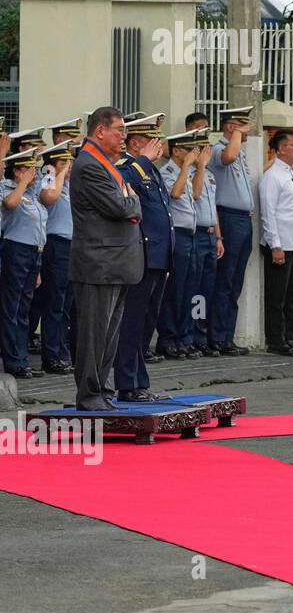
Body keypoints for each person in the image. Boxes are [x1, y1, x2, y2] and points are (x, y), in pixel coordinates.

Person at [69, 107, 144, 411]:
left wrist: (129, 199)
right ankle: (89, 395)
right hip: (99, 262)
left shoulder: (104, 164)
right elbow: (120, 208)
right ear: (100, 131)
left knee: (108, 336)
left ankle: (101, 391)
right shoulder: (89, 164)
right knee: (94, 335)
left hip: (115, 261)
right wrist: (133, 199)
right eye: (120, 130)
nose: (124, 137)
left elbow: (123, 204)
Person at [112, 114, 173, 402]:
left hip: (158, 257)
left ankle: (139, 381)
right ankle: (127, 382)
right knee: (132, 321)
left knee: (146, 322)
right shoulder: (128, 167)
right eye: (151, 140)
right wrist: (143, 161)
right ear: (136, 143)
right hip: (141, 256)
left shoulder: (152, 169)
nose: (157, 145)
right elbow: (120, 185)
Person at [260, 128, 293, 356]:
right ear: (281, 149)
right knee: (277, 296)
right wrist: (276, 245)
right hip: (281, 245)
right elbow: (268, 213)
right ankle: (276, 339)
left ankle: (292, 335)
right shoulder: (272, 176)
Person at [155, 132, 205, 358]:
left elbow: (195, 194)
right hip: (177, 235)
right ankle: (167, 338)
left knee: (189, 289)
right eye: (188, 150)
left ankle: (183, 336)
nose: (192, 154)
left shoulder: (190, 172)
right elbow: (175, 193)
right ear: (176, 151)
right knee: (174, 290)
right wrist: (185, 168)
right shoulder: (167, 172)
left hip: (191, 234)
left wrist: (199, 167)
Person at [210, 107, 256, 356]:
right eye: (242, 125)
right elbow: (227, 157)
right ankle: (218, 336)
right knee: (226, 281)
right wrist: (237, 134)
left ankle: (226, 335)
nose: (248, 129)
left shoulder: (240, 153)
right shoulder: (220, 150)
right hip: (227, 218)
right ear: (231, 127)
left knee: (235, 282)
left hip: (243, 220)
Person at [1, 148, 49, 378]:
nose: (32, 174)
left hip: (34, 253)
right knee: (13, 307)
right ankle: (14, 361)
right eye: (27, 169)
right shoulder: (9, 189)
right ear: (17, 172)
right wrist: (21, 183)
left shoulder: (33, 193)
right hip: (16, 250)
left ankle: (21, 358)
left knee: (24, 309)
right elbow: (9, 204)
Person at [35, 130, 77, 374]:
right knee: (55, 302)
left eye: (69, 162)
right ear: (52, 163)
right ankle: (51, 355)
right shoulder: (49, 177)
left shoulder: (68, 184)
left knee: (66, 302)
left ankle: (62, 352)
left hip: (71, 245)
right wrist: (58, 171)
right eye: (63, 162)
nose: (68, 166)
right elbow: (48, 198)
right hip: (56, 244)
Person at [184, 115, 223, 356]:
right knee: (193, 289)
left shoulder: (208, 173)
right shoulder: (189, 172)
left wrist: (218, 237)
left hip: (210, 235)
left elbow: (213, 207)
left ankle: (201, 334)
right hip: (195, 234)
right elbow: (196, 195)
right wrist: (198, 166)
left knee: (206, 290)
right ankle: (190, 335)